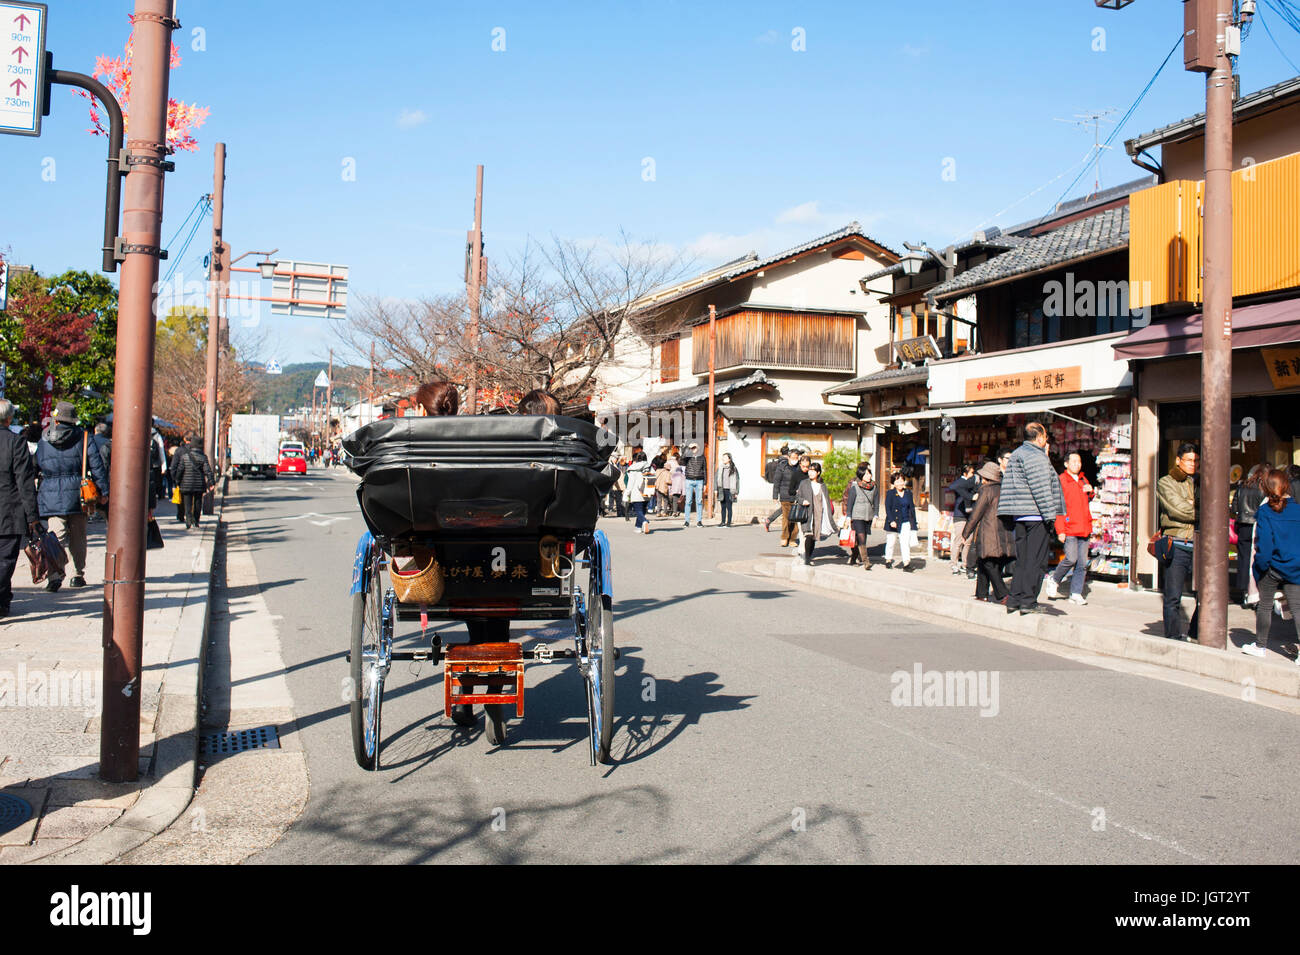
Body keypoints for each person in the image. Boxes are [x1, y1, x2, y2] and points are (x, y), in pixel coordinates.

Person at [35, 401, 108, 592]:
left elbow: (38, 464)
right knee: (78, 536)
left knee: (55, 536)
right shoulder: (84, 437)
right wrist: (103, 491)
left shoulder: (44, 439)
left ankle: (55, 575)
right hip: (78, 493)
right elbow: (97, 466)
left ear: (56, 419)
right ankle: (78, 574)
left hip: (50, 493)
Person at [997, 422, 1063, 615]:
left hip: (1019, 514)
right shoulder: (1037, 457)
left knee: (1023, 559)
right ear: (1040, 437)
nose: (1046, 441)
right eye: (1045, 438)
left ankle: (1015, 599)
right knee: (1036, 561)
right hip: (1036, 514)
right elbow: (1042, 488)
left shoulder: (1017, 454)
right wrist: (1050, 516)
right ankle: (1028, 601)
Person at [1244, 467, 1300, 660]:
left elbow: (1265, 545)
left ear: (1266, 487)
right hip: (1296, 567)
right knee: (1298, 608)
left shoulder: (1265, 511)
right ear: (1286, 486)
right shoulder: (1298, 510)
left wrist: (1259, 567)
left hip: (1272, 567)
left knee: (1265, 606)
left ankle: (1260, 646)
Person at [1156, 442, 1200, 641]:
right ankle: (1173, 635)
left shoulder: (1198, 481)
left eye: (1196, 460)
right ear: (1178, 460)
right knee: (1173, 596)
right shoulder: (1166, 482)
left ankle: (1196, 632)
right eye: (1189, 460)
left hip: (1199, 544)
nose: (1193, 464)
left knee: (1205, 596)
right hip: (1178, 543)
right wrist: (1202, 511)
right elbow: (1179, 510)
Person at [0, 401, 39, 618]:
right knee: (5, 560)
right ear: (8, 419)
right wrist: (33, 516)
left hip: (8, 510)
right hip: (8, 511)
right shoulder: (16, 443)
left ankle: (3, 600)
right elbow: (25, 482)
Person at [963, 460, 1015, 604]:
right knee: (983, 562)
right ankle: (981, 593)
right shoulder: (1003, 489)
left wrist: (966, 533)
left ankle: (1003, 594)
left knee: (989, 563)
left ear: (986, 478)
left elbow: (976, 514)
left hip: (989, 533)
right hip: (1003, 532)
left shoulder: (986, 490)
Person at [1047, 451, 1094, 605]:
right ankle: (1054, 579)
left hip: (1084, 526)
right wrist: (1060, 530)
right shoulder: (1061, 480)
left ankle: (1075, 593)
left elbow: (1088, 497)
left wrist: (1091, 491)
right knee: (1071, 558)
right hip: (1069, 527)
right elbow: (1058, 507)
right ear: (1066, 464)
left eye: (1079, 461)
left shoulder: (1082, 479)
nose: (1077, 464)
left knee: (1082, 563)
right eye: (1073, 461)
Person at [1234, 463, 1268, 608]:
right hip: (1257, 525)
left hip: (1243, 526)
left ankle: (1244, 593)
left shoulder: (1242, 486)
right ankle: (1255, 593)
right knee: (1257, 558)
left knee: (1243, 559)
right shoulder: (1264, 488)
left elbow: (1235, 506)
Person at [170, 434, 215, 530]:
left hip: (186, 484)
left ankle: (188, 520)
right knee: (198, 502)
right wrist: (211, 482)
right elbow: (208, 471)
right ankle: (196, 521)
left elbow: (180, 470)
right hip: (199, 484)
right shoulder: (203, 457)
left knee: (187, 503)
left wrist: (177, 481)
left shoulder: (185, 457)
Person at [794, 461, 835, 566]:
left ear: (818, 472)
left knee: (814, 537)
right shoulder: (804, 483)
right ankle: (807, 558)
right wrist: (803, 501)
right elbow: (797, 497)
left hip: (819, 513)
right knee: (808, 534)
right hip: (807, 513)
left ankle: (809, 555)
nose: (810, 473)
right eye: (810, 470)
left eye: (813, 471)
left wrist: (828, 514)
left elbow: (826, 501)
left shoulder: (822, 486)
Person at [844, 463, 877, 569]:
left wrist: (876, 515)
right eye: (866, 474)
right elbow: (850, 502)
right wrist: (848, 516)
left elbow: (876, 502)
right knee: (861, 537)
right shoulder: (854, 487)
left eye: (870, 474)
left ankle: (854, 556)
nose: (869, 476)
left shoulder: (874, 487)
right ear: (861, 475)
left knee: (862, 538)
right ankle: (866, 561)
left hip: (868, 516)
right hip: (857, 516)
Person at [882, 470, 917, 570]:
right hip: (893, 522)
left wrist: (913, 523)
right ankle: (888, 559)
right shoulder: (890, 493)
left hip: (905, 521)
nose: (900, 483)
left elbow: (912, 508)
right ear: (893, 483)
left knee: (905, 543)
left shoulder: (908, 493)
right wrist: (891, 520)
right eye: (897, 481)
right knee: (891, 542)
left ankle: (906, 563)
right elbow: (887, 508)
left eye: (901, 480)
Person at [947, 464, 977, 575]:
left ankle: (965, 563)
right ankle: (953, 564)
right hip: (960, 515)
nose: (973, 476)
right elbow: (952, 486)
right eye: (971, 473)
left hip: (970, 515)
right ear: (965, 473)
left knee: (968, 541)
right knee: (958, 540)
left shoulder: (973, 484)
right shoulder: (960, 483)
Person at [773, 447, 805, 549]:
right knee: (786, 518)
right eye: (793, 457)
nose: (795, 459)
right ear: (788, 457)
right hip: (785, 496)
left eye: (796, 457)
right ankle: (784, 537)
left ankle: (793, 539)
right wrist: (775, 496)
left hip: (797, 497)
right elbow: (777, 482)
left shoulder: (800, 468)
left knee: (795, 519)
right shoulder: (782, 467)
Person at [763, 445, 790, 531]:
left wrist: (775, 495)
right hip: (788, 489)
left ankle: (769, 520)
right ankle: (770, 520)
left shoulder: (777, 462)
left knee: (785, 507)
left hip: (781, 489)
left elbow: (776, 481)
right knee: (786, 507)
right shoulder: (786, 463)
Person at [681, 441, 707, 526]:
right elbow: (681, 458)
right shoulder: (687, 457)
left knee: (699, 501)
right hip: (689, 480)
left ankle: (699, 521)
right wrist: (688, 447)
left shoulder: (702, 457)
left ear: (698, 448)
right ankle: (687, 521)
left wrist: (705, 483)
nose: (693, 449)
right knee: (688, 501)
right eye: (692, 448)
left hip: (699, 480)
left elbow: (705, 470)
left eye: (695, 447)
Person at [625, 452, 651, 534]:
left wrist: (627, 493)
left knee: (638, 510)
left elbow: (630, 483)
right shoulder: (649, 467)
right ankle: (638, 527)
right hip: (648, 491)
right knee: (642, 510)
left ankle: (644, 521)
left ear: (637, 458)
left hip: (636, 492)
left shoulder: (633, 468)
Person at [715, 452, 739, 527]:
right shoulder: (720, 468)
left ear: (729, 459)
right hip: (722, 489)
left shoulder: (734, 468)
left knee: (729, 507)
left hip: (730, 490)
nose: (723, 459)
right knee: (723, 507)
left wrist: (736, 492)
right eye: (723, 457)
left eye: (725, 457)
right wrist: (715, 489)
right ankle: (722, 522)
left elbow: (737, 480)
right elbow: (716, 479)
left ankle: (728, 523)